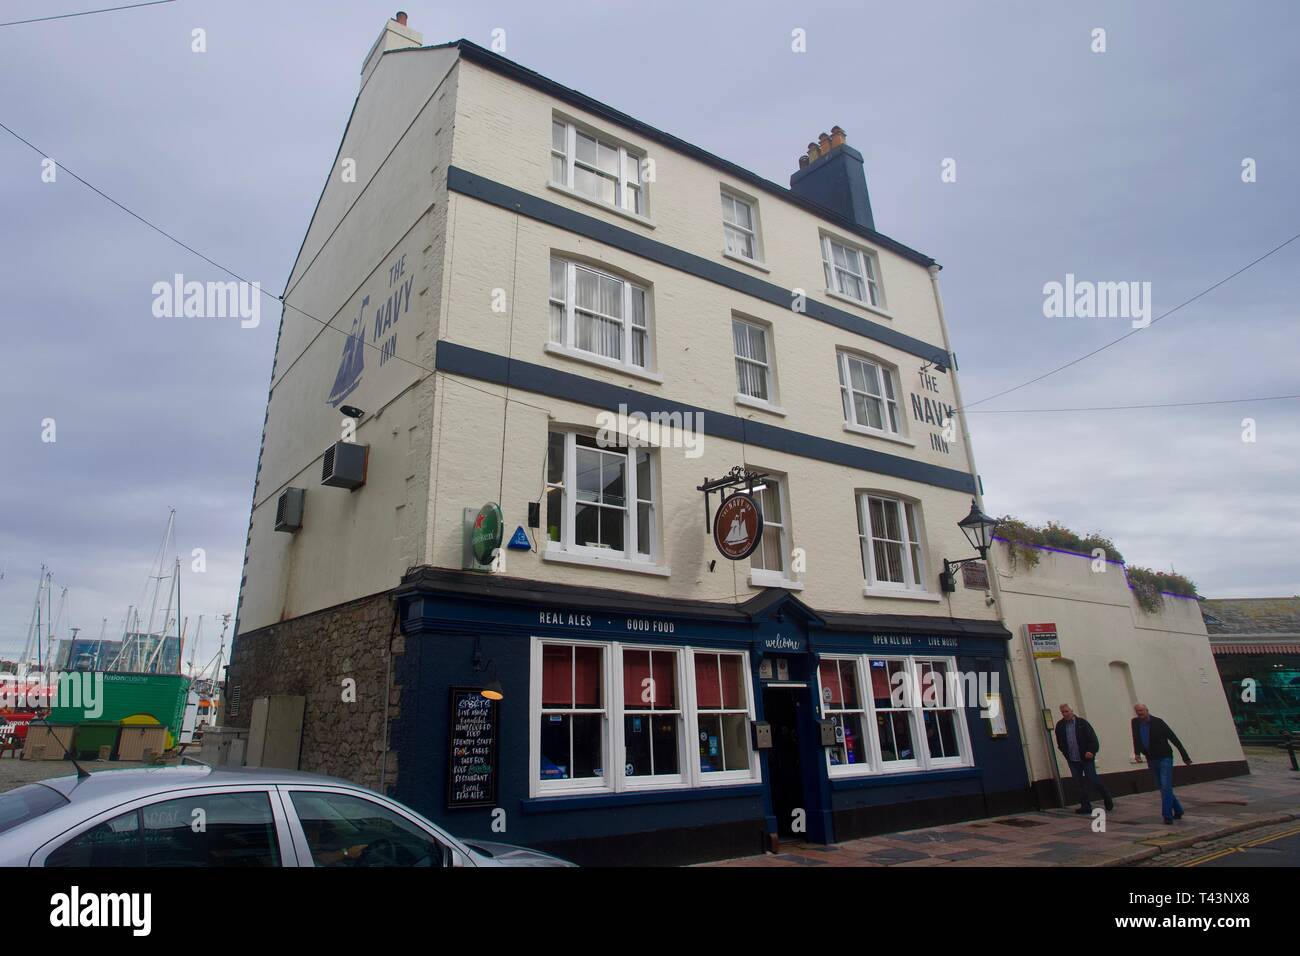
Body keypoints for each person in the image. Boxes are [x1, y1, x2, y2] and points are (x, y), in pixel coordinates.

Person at [1131, 703, 1192, 824]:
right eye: (1138, 711)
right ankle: (1178, 810)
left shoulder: (1158, 722)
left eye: (1142, 711)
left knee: (1165, 786)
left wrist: (1185, 756)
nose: (1140, 713)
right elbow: (1136, 738)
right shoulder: (1135, 722)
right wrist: (1137, 753)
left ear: (1147, 710)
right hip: (1151, 758)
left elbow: (1173, 738)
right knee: (1162, 787)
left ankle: (1167, 815)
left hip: (1164, 757)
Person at [1054, 704, 1113, 814]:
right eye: (1062, 712)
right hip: (1072, 758)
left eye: (1066, 711)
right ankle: (1085, 805)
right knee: (1078, 782)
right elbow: (1060, 741)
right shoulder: (1060, 725)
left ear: (1072, 711)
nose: (1065, 714)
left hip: (1086, 757)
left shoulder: (1082, 723)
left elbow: (1093, 738)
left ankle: (1106, 795)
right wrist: (1064, 752)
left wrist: (1091, 751)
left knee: (1092, 778)